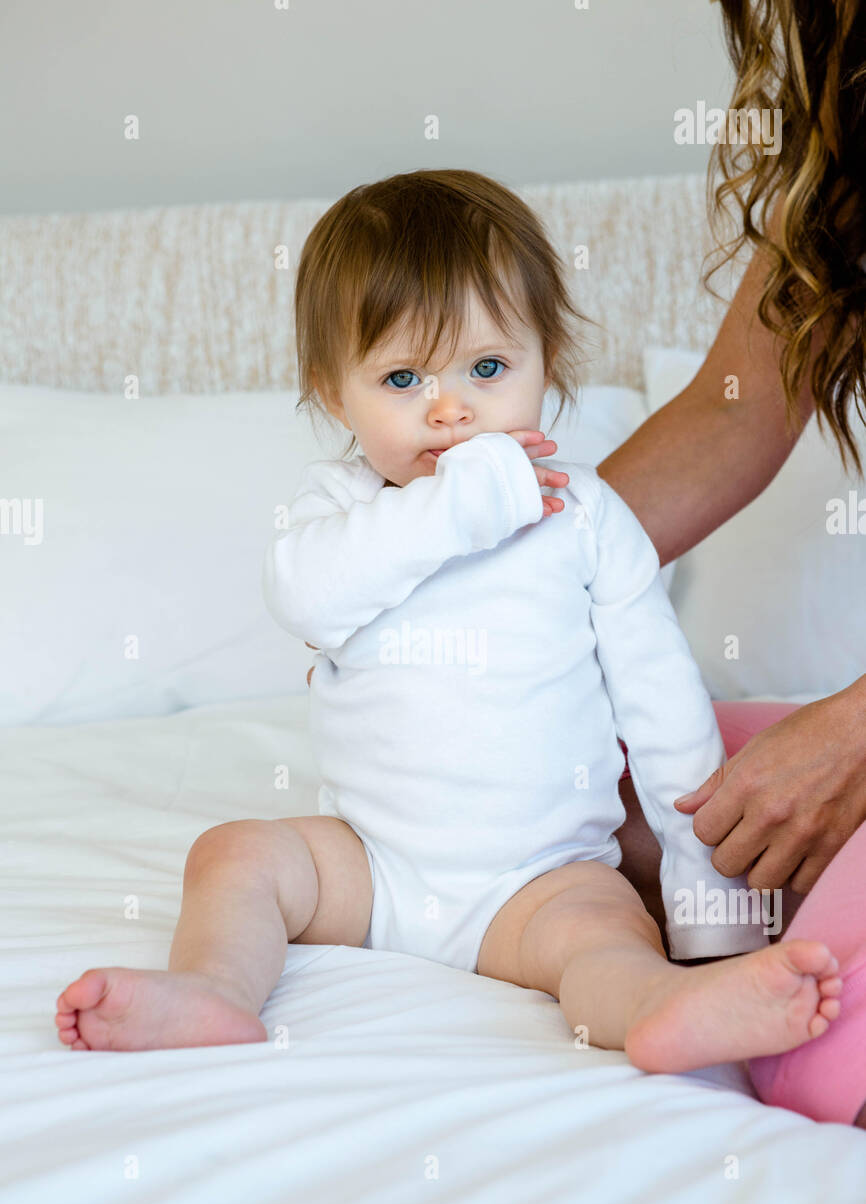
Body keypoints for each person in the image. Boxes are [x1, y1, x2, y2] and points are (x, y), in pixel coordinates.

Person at [52, 167, 842, 1074]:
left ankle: (666, 1008)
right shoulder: (339, 513)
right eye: (400, 377)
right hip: (373, 867)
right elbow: (305, 596)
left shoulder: (585, 518)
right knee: (234, 854)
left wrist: (713, 914)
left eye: (490, 368)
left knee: (605, 940)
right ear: (330, 390)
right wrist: (459, 509)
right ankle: (214, 990)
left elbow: (666, 718)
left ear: (550, 362)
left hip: (540, 877)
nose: (449, 408)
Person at [599, 0, 866, 1124]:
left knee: (815, 1051)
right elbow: (733, 408)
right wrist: (479, 599)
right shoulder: (842, 146)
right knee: (596, 785)